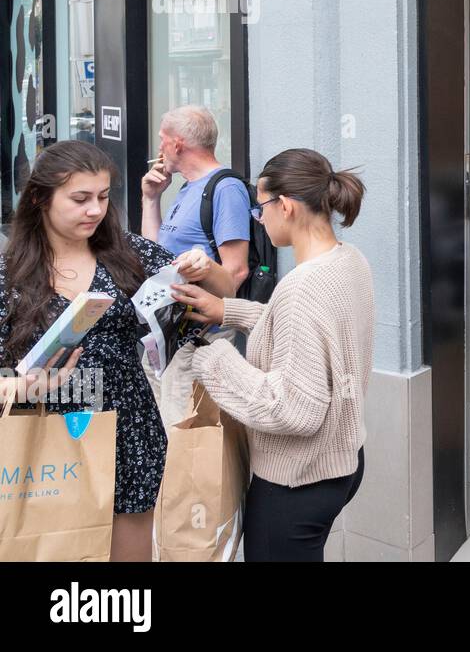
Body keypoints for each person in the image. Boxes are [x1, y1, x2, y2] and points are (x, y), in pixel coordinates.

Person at [0, 141, 234, 561]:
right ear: (39, 198)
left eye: (103, 197)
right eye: (80, 199)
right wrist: (20, 387)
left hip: (129, 428)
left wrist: (208, 269)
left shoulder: (129, 253)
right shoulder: (10, 272)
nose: (95, 210)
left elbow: (221, 295)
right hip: (41, 437)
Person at [171, 149, 374, 562]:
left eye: (260, 207)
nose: (258, 218)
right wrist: (228, 310)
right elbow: (310, 335)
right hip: (342, 461)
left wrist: (212, 358)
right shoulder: (348, 260)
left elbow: (293, 409)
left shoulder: (302, 287)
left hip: (295, 481)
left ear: (286, 206)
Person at [141, 105, 251, 290]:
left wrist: (201, 314)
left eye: (162, 140)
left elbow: (236, 271)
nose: (160, 148)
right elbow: (154, 251)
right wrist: (151, 198)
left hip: (199, 314)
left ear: (177, 145)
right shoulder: (190, 186)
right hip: (171, 307)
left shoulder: (226, 188)